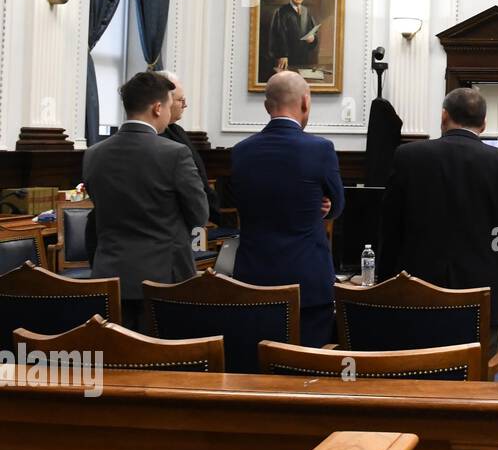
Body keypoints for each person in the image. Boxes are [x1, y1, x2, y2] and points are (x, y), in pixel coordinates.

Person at [378, 87, 498, 352]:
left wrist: (384, 285)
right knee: (475, 376)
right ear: (484, 124)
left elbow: (389, 228)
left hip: (417, 295)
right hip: (482, 299)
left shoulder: (409, 157)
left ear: (443, 116)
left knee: (417, 372)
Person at [82, 71, 209, 330]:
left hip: (109, 274)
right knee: (162, 360)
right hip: (164, 276)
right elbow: (199, 215)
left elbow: (98, 208)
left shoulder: (93, 154)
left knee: (117, 360)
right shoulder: (175, 153)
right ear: (158, 108)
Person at [230, 72, 344, 348]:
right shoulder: (320, 149)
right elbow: (338, 204)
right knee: (306, 368)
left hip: (253, 279)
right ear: (306, 102)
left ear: (267, 106)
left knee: (255, 365)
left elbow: (242, 201)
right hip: (307, 282)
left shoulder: (240, 151)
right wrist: (323, 208)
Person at [158, 71, 220, 224]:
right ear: (165, 102)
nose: (185, 104)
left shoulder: (176, 131)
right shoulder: (158, 141)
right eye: (180, 100)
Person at [267, 0, 319, 76]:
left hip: (303, 57)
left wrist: (313, 38)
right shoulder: (281, 11)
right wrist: (282, 55)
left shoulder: (306, 11)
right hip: (286, 58)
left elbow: (313, 30)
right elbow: (277, 34)